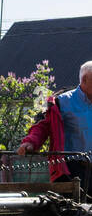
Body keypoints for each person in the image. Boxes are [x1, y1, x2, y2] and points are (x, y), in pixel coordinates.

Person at [18, 61, 92, 192]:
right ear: (85, 79)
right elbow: (42, 126)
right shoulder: (60, 102)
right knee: (72, 211)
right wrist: (31, 142)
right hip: (70, 171)